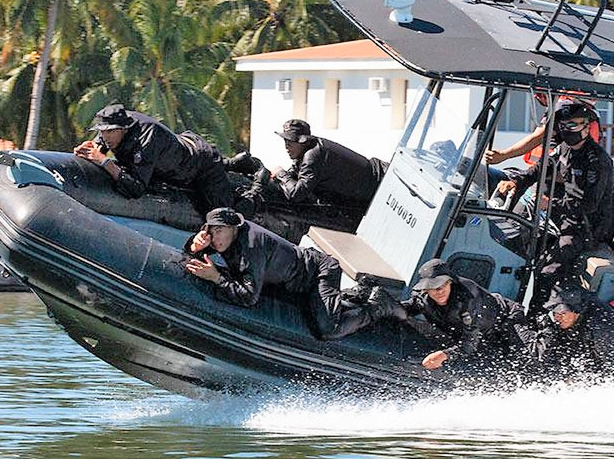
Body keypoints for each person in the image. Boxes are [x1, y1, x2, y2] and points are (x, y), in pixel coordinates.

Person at [183, 207, 394, 339]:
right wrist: (195, 246)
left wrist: (216, 277)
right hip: (291, 278)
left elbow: (249, 297)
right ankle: (355, 295)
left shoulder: (251, 246)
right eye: (210, 232)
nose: (214, 237)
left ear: (234, 228)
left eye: (219, 231)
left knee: (329, 329)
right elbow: (195, 257)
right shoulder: (225, 239)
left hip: (318, 273)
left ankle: (377, 306)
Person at [495, 102, 614, 313]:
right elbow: (540, 169)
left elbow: (589, 204)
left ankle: (537, 319)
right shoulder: (564, 148)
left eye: (573, 125)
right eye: (564, 125)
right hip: (561, 216)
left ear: (587, 128)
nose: (567, 130)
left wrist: (551, 203)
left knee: (548, 270)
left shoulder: (596, 160)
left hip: (585, 227)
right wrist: (516, 182)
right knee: (514, 239)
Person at [74, 104, 237, 216]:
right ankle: (232, 163)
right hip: (174, 163)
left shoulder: (146, 140)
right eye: (102, 132)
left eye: (110, 132)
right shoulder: (112, 127)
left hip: (200, 166)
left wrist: (104, 161)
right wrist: (87, 149)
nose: (105, 137)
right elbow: (98, 146)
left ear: (124, 129)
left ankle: (250, 178)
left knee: (222, 215)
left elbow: (136, 189)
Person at [400, 258, 531, 372]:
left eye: (442, 285)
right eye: (432, 288)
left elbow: (469, 344)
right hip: (480, 332)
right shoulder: (422, 297)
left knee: (527, 356)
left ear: (450, 282)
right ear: (426, 289)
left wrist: (445, 355)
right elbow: (406, 309)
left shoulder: (467, 299)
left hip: (507, 318)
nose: (438, 292)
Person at [272, 119, 386, 208]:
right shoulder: (310, 148)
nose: (286, 146)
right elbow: (298, 173)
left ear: (303, 141)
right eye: (285, 141)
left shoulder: (313, 156)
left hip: (380, 185)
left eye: (290, 142)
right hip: (377, 181)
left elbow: (297, 194)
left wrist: (281, 174)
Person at [484, 93, 602, 165]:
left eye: (539, 93)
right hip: (565, 174)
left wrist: (504, 155)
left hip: (552, 179)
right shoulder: (591, 113)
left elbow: (536, 138)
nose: (536, 96)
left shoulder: (563, 106)